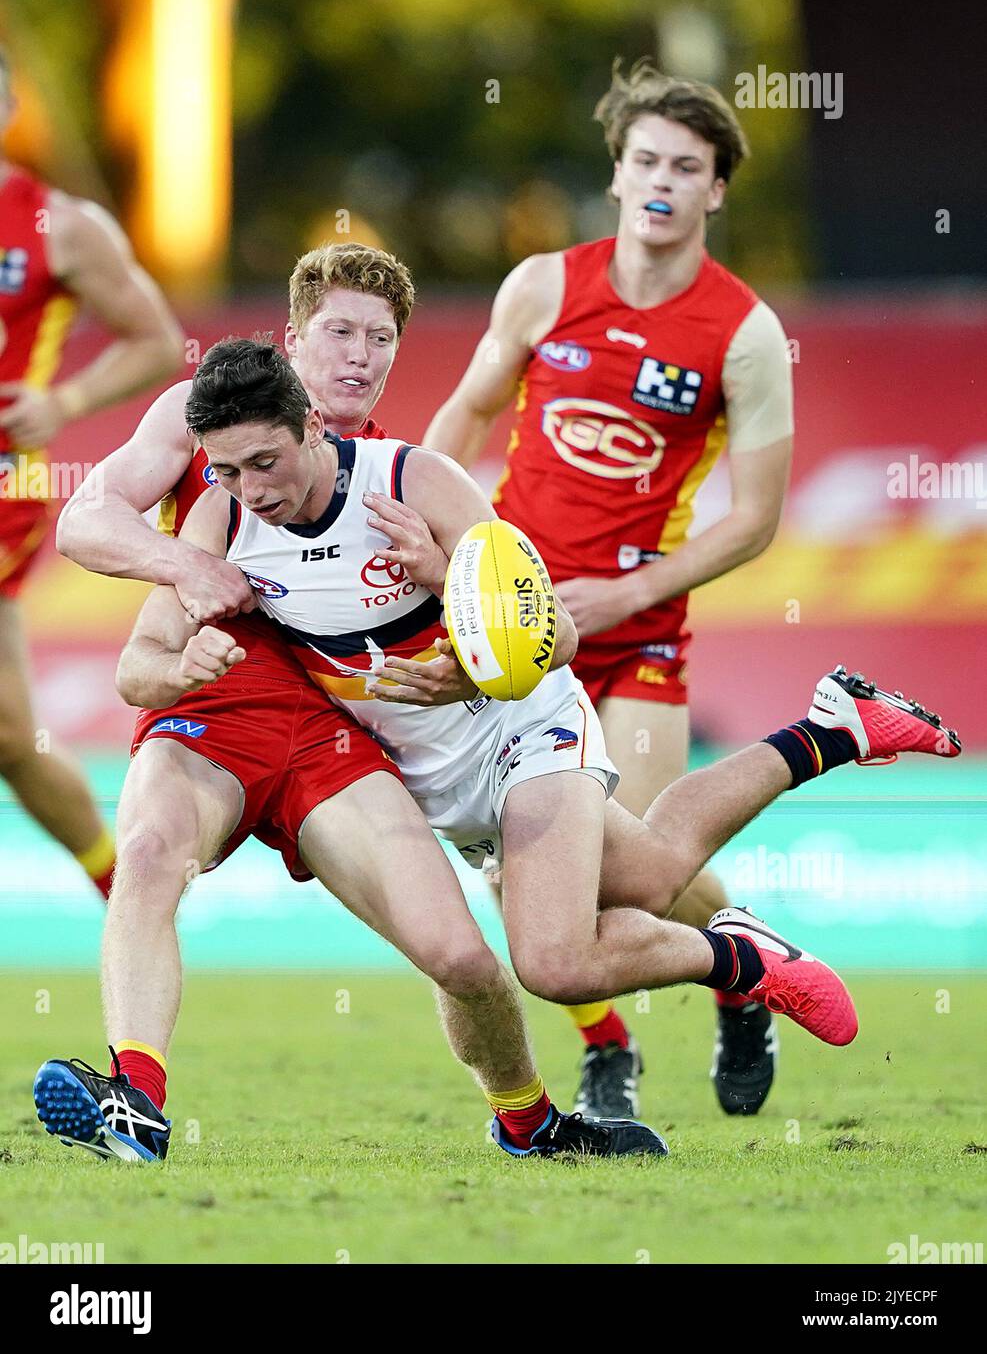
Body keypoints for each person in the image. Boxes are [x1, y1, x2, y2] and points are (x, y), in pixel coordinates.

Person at [103, 341, 960, 1133]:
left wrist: (455, 616)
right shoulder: (223, 521)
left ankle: (733, 962)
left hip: (518, 724)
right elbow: (136, 670)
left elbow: (557, 636)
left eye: (265, 461)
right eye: (226, 470)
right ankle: (832, 727)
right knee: (655, 873)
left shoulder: (413, 482)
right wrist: (183, 668)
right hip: (430, 778)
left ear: (314, 426)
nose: (251, 489)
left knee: (552, 962)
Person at [36, 252, 665, 1164]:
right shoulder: (200, 414)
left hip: (335, 730)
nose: (359, 357)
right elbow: (82, 524)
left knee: (467, 958)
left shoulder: (385, 471)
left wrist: (462, 652)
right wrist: (188, 568)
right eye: (339, 333)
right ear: (292, 341)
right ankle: (136, 1101)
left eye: (380, 339)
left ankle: (535, 1118)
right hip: (213, 711)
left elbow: (519, 620)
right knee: (147, 850)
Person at [424, 59, 795, 1119]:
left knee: (639, 872)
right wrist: (452, 550)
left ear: (717, 188)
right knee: (518, 872)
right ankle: (610, 1049)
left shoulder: (746, 333)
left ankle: (737, 969)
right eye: (645, 161)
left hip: (641, 635)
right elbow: (459, 423)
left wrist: (626, 598)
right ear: (619, 173)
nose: (662, 181)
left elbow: (755, 517)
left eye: (687, 165)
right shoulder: (544, 283)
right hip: (514, 632)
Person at [0, 46, 184, 900]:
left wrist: (62, 402)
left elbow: (154, 335)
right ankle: (126, 889)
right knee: (7, 734)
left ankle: (125, 892)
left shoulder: (58, 224)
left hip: (5, 490)